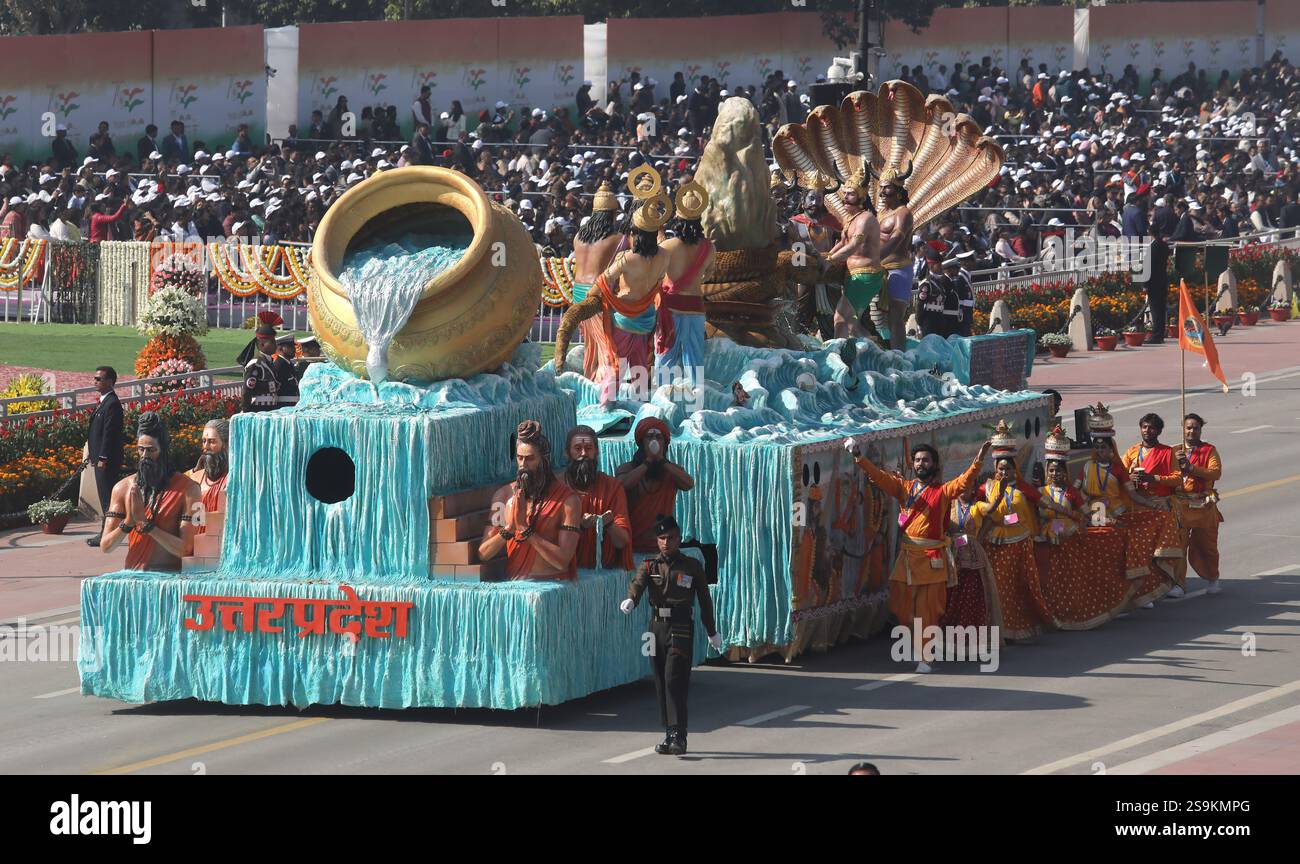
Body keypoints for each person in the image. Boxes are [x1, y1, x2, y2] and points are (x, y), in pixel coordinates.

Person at [845, 433, 992, 672]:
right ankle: (917, 642)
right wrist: (858, 456)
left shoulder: (943, 491)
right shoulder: (905, 488)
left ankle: (926, 655)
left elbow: (964, 481)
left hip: (932, 558)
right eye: (917, 460)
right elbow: (880, 478)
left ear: (934, 465)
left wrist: (979, 459)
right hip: (907, 557)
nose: (920, 464)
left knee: (928, 610)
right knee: (899, 604)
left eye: (925, 460)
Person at [554, 165, 673, 406]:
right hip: (633, 311)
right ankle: (633, 400)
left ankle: (598, 397)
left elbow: (604, 277)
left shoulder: (579, 237)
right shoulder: (623, 241)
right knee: (618, 356)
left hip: (582, 293)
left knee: (598, 351)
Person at [620, 514, 722, 756]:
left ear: (679, 538)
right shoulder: (649, 566)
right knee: (660, 680)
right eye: (662, 538)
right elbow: (638, 584)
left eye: (672, 538)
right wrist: (631, 599)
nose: (667, 542)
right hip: (655, 628)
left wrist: (711, 631)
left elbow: (704, 601)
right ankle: (669, 732)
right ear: (657, 541)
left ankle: (679, 735)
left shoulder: (692, 566)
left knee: (673, 679)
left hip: (680, 627)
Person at [974, 421, 1078, 642]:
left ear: (1015, 468)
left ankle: (1018, 628)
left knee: (1018, 588)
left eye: (1008, 468)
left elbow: (1046, 504)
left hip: (1019, 545)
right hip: (995, 545)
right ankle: (999, 631)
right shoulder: (987, 488)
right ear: (995, 468)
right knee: (998, 589)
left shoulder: (1023, 488)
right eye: (1000, 468)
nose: (1004, 471)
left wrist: (1073, 516)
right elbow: (973, 508)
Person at [1076, 403, 1183, 608]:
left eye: (1104, 447)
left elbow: (1132, 494)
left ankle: (1151, 589)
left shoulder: (1119, 469)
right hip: (1092, 518)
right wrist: (1082, 511)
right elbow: (1075, 493)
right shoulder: (1089, 467)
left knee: (1132, 553)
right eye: (1096, 447)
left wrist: (1153, 504)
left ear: (1111, 449)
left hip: (1120, 516)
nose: (1100, 451)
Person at [1033, 426, 1133, 629]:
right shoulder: (1040, 492)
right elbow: (1031, 516)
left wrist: (1110, 522)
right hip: (1045, 546)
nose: (1054, 474)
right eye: (1051, 470)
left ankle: (1070, 616)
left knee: (1068, 584)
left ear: (1065, 472)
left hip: (1068, 547)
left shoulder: (1072, 493)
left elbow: (1088, 514)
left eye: (1058, 471)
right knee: (1047, 584)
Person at [478, 421, 582, 580]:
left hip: (552, 586)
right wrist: (509, 529)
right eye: (519, 458)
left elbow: (562, 561)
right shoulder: (503, 496)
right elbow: (483, 554)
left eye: (530, 459)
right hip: (515, 587)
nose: (523, 465)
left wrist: (525, 529)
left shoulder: (568, 501)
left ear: (544, 460)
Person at [99, 412, 201, 572]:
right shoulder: (122, 488)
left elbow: (186, 549)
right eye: (141, 450)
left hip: (168, 577)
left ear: (164, 450)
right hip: (133, 574)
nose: (145, 456)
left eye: (151, 450)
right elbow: (106, 546)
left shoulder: (189, 489)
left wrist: (147, 526)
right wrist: (128, 523)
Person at [655, 179, 714, 379]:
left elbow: (657, 274)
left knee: (666, 356)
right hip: (696, 307)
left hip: (670, 308)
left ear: (678, 220)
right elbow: (709, 274)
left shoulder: (667, 246)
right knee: (695, 359)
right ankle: (695, 401)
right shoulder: (709, 247)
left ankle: (663, 400)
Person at [566, 181, 624, 380]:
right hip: (598, 293)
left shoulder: (578, 237)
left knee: (591, 342)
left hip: (578, 292)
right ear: (612, 215)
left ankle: (591, 377)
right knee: (604, 342)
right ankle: (601, 384)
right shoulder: (617, 239)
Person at [617, 416, 694, 553]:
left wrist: (662, 461)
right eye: (649, 437)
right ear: (641, 443)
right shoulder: (627, 468)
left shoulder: (671, 470)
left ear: (665, 443)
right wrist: (648, 462)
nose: (654, 441)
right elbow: (622, 486)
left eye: (659, 437)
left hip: (662, 544)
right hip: (634, 543)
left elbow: (688, 484)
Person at [822, 170, 883, 340]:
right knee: (851, 324)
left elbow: (855, 244)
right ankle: (875, 350)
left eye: (851, 194)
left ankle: (839, 355)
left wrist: (830, 260)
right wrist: (826, 256)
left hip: (865, 275)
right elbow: (842, 242)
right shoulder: (851, 219)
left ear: (861, 197)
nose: (846, 197)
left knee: (840, 318)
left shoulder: (866, 218)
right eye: (845, 194)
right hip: (853, 276)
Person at [564, 425, 632, 570]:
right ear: (567, 453)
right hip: (566, 572)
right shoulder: (557, 489)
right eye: (577, 448)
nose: (583, 453)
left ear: (597, 452)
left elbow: (622, 541)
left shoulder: (613, 488)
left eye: (588, 448)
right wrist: (579, 527)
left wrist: (609, 524)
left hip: (601, 571)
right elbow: (550, 541)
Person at [1174, 413, 1223, 594]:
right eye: (1188, 427)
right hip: (1181, 506)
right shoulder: (1175, 451)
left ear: (1201, 429)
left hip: (1204, 505)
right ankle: (1178, 583)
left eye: (1195, 428)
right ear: (1183, 428)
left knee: (1207, 545)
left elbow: (1215, 473)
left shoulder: (1209, 450)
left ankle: (1212, 578)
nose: (1191, 431)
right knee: (1178, 546)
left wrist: (1192, 468)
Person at [786, 190, 841, 340]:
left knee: (830, 320)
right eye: (811, 198)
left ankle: (832, 350)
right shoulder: (794, 222)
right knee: (800, 316)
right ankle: (797, 347)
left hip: (827, 276)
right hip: (804, 275)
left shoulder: (831, 222)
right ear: (803, 201)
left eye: (818, 199)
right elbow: (792, 249)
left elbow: (846, 240)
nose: (814, 203)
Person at [86, 365, 124, 547]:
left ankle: (106, 532)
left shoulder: (112, 404)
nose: (95, 382)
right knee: (105, 497)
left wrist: (102, 458)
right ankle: (107, 531)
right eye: (95, 378)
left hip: (106, 462)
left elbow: (110, 434)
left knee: (107, 498)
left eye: (99, 379)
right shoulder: (104, 402)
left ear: (110, 381)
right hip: (99, 459)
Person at [237, 312, 300, 412]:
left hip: (270, 409)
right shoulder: (255, 364)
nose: (275, 345)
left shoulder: (268, 363)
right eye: (272, 342)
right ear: (261, 345)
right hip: (258, 409)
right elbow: (247, 390)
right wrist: (245, 411)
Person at [186, 419, 229, 533]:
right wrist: (195, 470)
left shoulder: (234, 479)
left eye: (212, 441)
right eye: (204, 441)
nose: (206, 447)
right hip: (195, 544)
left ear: (226, 444)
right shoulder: (195, 477)